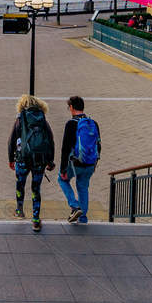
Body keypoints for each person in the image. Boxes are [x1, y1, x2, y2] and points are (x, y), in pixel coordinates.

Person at [7, 93, 55, 232]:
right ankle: (35, 219)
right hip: (39, 160)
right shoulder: (43, 120)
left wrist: (11, 159)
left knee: (20, 184)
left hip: (22, 158)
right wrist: (50, 160)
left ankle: (19, 210)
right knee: (36, 189)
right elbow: (50, 140)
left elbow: (11, 140)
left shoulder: (20, 119)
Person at [58, 95, 101, 225]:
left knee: (62, 179)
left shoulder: (71, 124)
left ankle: (74, 206)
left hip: (75, 162)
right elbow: (98, 145)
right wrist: (94, 163)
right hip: (89, 162)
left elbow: (65, 149)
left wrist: (63, 169)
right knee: (83, 187)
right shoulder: (93, 123)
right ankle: (83, 218)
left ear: (71, 107)